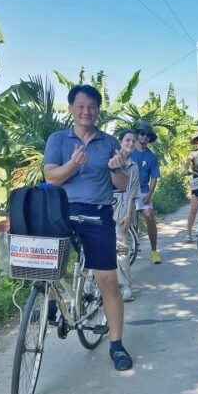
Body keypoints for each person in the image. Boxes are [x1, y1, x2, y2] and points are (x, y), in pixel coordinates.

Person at [42, 84, 133, 371]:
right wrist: (72, 163)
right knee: (43, 265)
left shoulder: (108, 143)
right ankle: (54, 301)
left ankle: (116, 345)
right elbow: (52, 178)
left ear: (98, 111)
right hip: (61, 210)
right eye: (80, 106)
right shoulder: (58, 139)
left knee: (107, 280)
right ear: (71, 108)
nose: (86, 112)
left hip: (97, 213)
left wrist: (116, 168)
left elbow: (122, 185)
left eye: (92, 107)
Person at [129, 123, 162, 264]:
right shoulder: (128, 151)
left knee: (149, 216)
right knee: (125, 220)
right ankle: (128, 248)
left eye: (147, 135)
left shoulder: (152, 157)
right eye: (142, 133)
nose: (144, 136)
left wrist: (149, 194)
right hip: (125, 189)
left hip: (142, 190)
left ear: (150, 138)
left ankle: (154, 251)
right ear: (137, 134)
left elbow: (154, 177)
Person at [114, 129, 139, 301]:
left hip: (123, 204)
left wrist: (128, 214)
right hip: (104, 202)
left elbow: (131, 192)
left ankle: (126, 285)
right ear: (120, 141)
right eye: (127, 140)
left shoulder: (133, 166)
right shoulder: (111, 159)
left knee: (121, 246)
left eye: (133, 141)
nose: (130, 143)